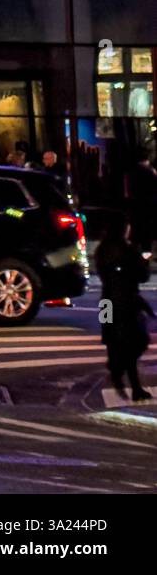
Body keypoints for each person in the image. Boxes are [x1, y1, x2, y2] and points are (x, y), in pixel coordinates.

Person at [95, 215, 153, 402]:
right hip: (126, 302)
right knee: (135, 342)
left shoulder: (101, 250)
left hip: (106, 301)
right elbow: (142, 276)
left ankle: (116, 369)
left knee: (112, 339)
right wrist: (145, 261)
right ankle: (129, 381)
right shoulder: (128, 250)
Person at [124, 153, 157, 253]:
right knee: (146, 239)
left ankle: (134, 258)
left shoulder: (130, 173)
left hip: (134, 208)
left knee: (135, 235)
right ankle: (145, 260)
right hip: (148, 208)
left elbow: (127, 193)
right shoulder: (152, 171)